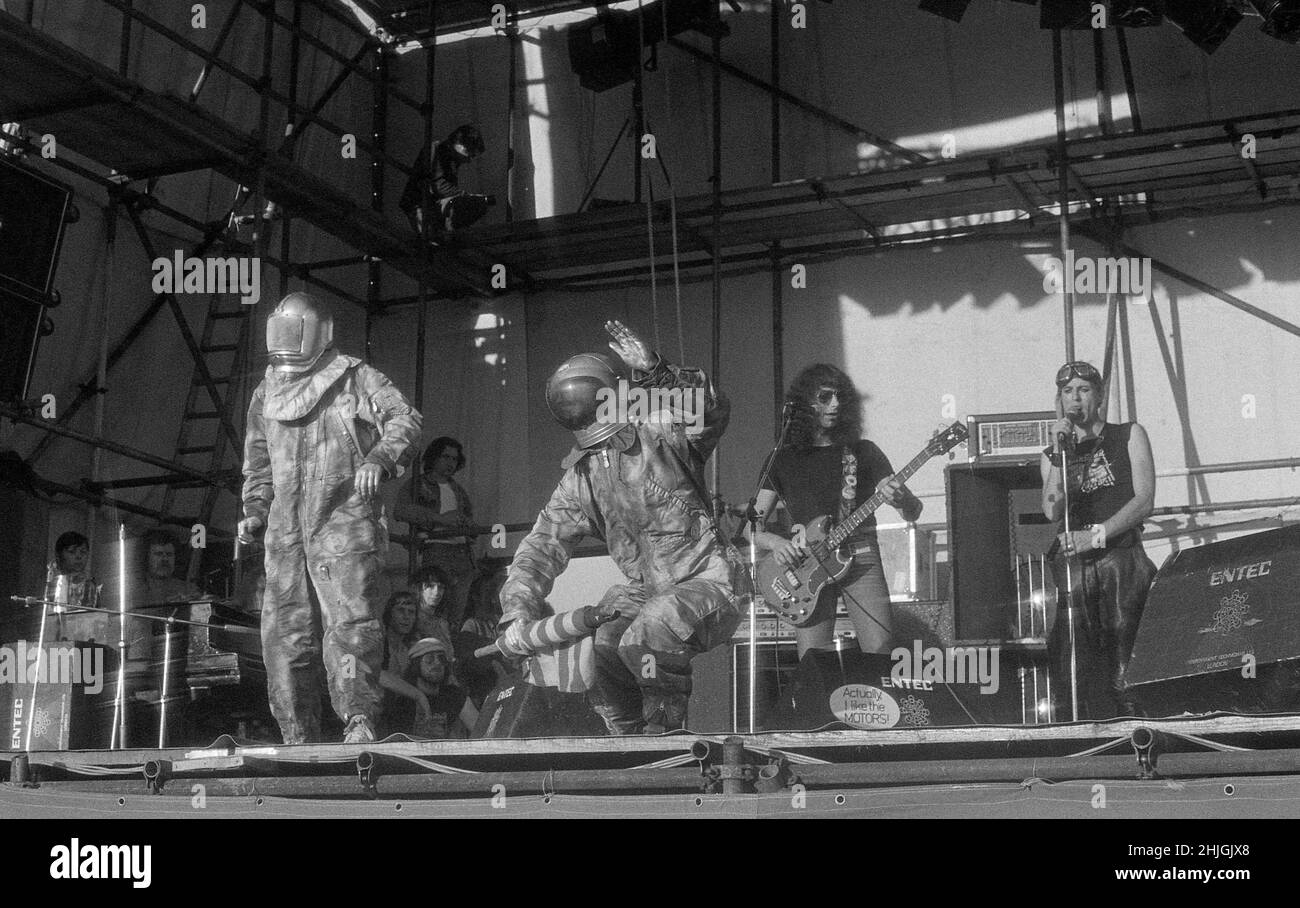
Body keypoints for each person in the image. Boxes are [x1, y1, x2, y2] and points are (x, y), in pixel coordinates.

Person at [497, 320, 742, 735]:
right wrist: (516, 613)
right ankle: (625, 739)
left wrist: (656, 370)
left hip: (711, 582)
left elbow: (712, 409)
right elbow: (540, 548)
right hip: (650, 591)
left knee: (649, 630)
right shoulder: (582, 478)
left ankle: (664, 732)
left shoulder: (664, 433)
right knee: (604, 642)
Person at [238, 291, 422, 745]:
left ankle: (358, 717)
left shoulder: (356, 378)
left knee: (350, 626)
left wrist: (378, 458)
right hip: (285, 528)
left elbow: (406, 419)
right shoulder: (268, 389)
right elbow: (257, 462)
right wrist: (254, 512)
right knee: (284, 635)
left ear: (318, 332)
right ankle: (296, 735)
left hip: (343, 517)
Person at [750, 365, 922, 657]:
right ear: (805, 403)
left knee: (880, 651)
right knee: (813, 661)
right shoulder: (782, 458)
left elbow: (913, 511)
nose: (835, 404)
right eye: (825, 397)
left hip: (861, 556)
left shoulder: (864, 452)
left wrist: (899, 496)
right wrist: (777, 544)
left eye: (840, 397)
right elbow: (752, 525)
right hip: (805, 565)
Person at [1040, 360, 1157, 720]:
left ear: (1099, 396)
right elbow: (1050, 511)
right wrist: (1060, 455)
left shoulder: (1128, 434)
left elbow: (1145, 500)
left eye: (1084, 390)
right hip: (1075, 567)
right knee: (1074, 662)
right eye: (1068, 392)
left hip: (1120, 557)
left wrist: (1098, 535)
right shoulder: (1052, 456)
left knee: (1126, 658)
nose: (1076, 399)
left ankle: (1138, 729)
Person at [394, 437, 484, 628]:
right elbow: (401, 510)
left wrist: (468, 526)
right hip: (437, 551)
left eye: (454, 459)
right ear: (434, 457)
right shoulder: (419, 484)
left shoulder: (457, 489)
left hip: (463, 554)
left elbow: (469, 521)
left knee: (458, 611)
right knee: (434, 608)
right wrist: (440, 518)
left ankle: (450, 650)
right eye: (446, 457)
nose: (450, 462)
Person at [398, 124, 488, 238]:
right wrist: (466, 196)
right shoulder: (437, 150)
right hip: (419, 205)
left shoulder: (451, 158)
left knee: (478, 205)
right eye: (470, 154)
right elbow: (438, 185)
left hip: (431, 204)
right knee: (432, 241)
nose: (469, 160)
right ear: (460, 145)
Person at [382, 637, 479, 739]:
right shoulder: (403, 704)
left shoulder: (455, 695)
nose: (437, 663)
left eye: (441, 659)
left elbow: (480, 731)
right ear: (416, 665)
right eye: (429, 659)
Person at [47, 531, 105, 644]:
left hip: (86, 643)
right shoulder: (54, 584)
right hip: (55, 644)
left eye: (83, 552)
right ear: (59, 555)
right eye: (72, 552)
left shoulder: (91, 586)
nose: (79, 556)